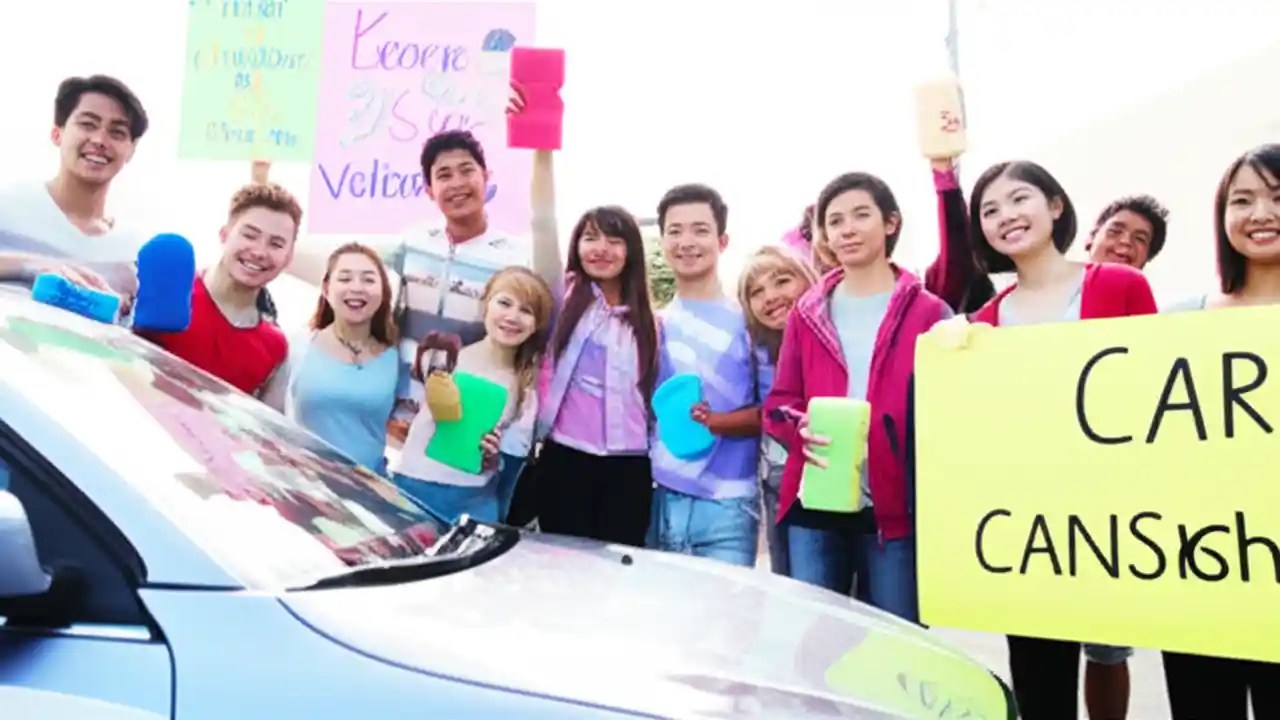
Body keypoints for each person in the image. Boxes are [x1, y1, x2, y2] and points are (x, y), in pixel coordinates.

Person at [947, 160, 1156, 720]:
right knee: (1040, 681)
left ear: (1055, 206)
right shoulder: (980, 326)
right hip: (1027, 532)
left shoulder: (1120, 286)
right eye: (989, 211)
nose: (1006, 217)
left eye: (1020, 200)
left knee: (1109, 652)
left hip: (1110, 519)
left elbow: (1157, 395)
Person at [284, 131, 560, 450]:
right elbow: (344, 263)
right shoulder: (413, 241)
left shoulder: (516, 256)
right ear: (429, 190)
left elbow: (541, 319)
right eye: (444, 175)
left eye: (466, 170)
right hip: (398, 423)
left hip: (463, 428)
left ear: (486, 177)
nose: (456, 183)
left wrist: (541, 139)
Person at [763, 171, 952, 619]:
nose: (847, 229)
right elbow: (778, 403)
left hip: (893, 508)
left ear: (890, 223)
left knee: (898, 644)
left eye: (860, 215)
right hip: (817, 499)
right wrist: (798, 427)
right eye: (835, 221)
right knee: (812, 641)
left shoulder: (930, 312)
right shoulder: (807, 313)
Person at [1160, 143, 1280, 720]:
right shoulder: (1180, 320)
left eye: (1278, 197)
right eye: (1243, 199)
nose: (1261, 213)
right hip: (1202, 577)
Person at [647, 184, 763, 567]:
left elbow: (774, 410)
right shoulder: (654, 325)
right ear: (662, 239)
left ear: (722, 240)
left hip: (728, 506)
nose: (686, 241)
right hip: (660, 498)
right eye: (675, 231)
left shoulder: (751, 322)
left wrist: (718, 422)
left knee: (727, 626)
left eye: (700, 229)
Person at [533, 206, 660, 545]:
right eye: (590, 238)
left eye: (614, 240)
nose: (601, 248)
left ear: (631, 251)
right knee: (563, 571)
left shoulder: (651, 323)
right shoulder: (563, 295)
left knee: (618, 577)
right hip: (566, 457)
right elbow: (542, 225)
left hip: (629, 466)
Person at [391, 266, 552, 524]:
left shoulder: (527, 387)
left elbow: (509, 470)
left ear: (537, 325)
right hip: (414, 487)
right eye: (505, 303)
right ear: (486, 304)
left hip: (474, 503)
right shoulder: (443, 355)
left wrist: (493, 457)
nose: (512, 316)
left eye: (526, 310)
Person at [0, 74, 149, 317]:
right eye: (88, 124)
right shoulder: (8, 206)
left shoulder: (133, 253)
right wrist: (33, 266)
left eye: (117, 132)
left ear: (131, 150)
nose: (100, 140)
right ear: (57, 133)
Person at [139, 183, 299, 397]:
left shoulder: (275, 346)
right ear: (224, 235)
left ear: (288, 258)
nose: (260, 252)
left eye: (276, 244)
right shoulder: (169, 292)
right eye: (250, 235)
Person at [263, 244, 400, 476]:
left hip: (368, 490)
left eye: (368, 280)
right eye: (345, 279)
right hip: (304, 484)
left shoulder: (396, 358)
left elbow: (409, 428)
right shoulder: (299, 346)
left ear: (383, 291)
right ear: (326, 288)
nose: (357, 288)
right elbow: (268, 417)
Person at [736, 246, 818, 575]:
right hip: (780, 486)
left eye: (782, 281)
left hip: (829, 472)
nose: (770, 297)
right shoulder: (755, 351)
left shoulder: (832, 335)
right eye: (756, 292)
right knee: (788, 578)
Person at [1084, 194, 1170, 270]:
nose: (1126, 241)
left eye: (1140, 238)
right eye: (1115, 231)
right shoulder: (1071, 281)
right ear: (1092, 237)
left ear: (1148, 256)